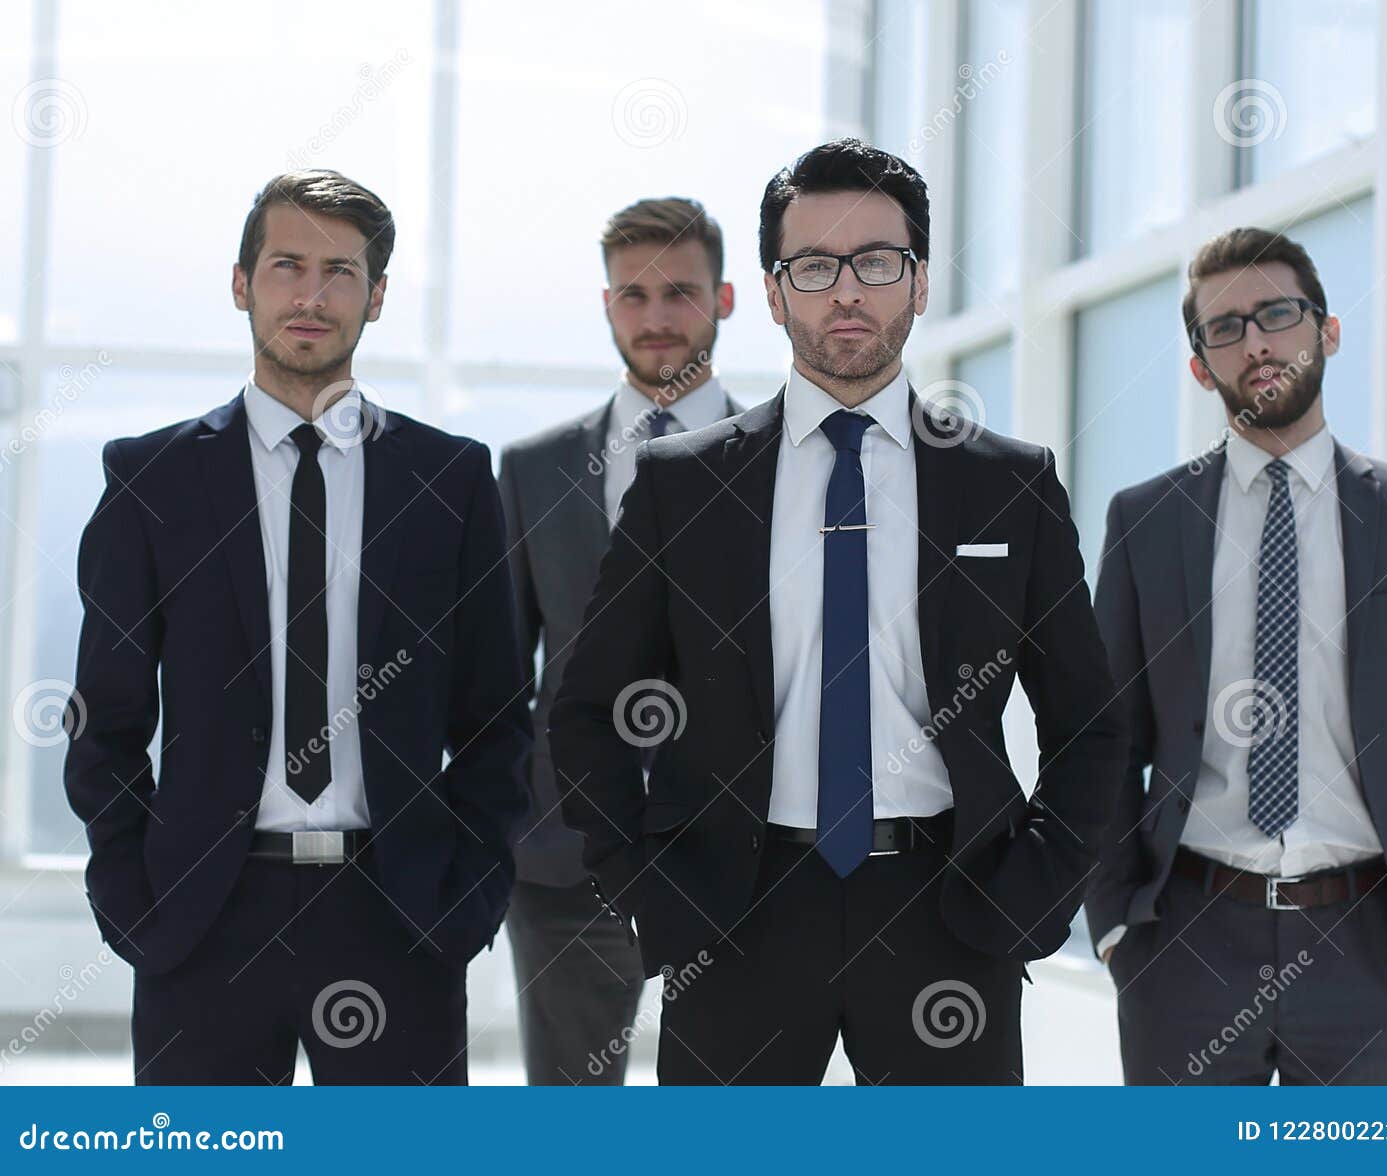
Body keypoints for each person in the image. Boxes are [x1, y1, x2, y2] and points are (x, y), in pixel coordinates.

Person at [548, 139, 1126, 1084]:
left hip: (950, 916)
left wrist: (1031, 900)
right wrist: (651, 890)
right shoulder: (682, 488)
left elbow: (1091, 725)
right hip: (737, 918)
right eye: (813, 266)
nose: (845, 291)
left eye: (876, 262)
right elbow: (586, 714)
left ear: (920, 282)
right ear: (774, 294)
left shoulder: (1008, 486)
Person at [64, 170, 531, 1085]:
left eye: (340, 272)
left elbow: (497, 715)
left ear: (378, 296)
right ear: (242, 284)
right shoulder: (151, 481)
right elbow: (106, 720)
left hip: (398, 911)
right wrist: (130, 896)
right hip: (203, 918)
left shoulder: (451, 481)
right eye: (286, 266)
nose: (311, 296)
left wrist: (465, 899)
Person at [1087, 227, 1387, 1085]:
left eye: (1277, 313)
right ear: (1201, 366)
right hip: (1187, 939)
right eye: (1225, 328)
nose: (1257, 341)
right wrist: (1117, 924)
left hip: (1371, 943)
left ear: (1328, 331)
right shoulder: (1146, 523)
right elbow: (1108, 735)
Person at [498, 196, 741, 1084]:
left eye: (680, 292)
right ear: (607, 307)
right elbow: (499, 672)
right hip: (567, 858)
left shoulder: (795, 455)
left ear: (725, 300)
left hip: (739, 860)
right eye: (632, 296)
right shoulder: (533, 469)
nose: (656, 317)